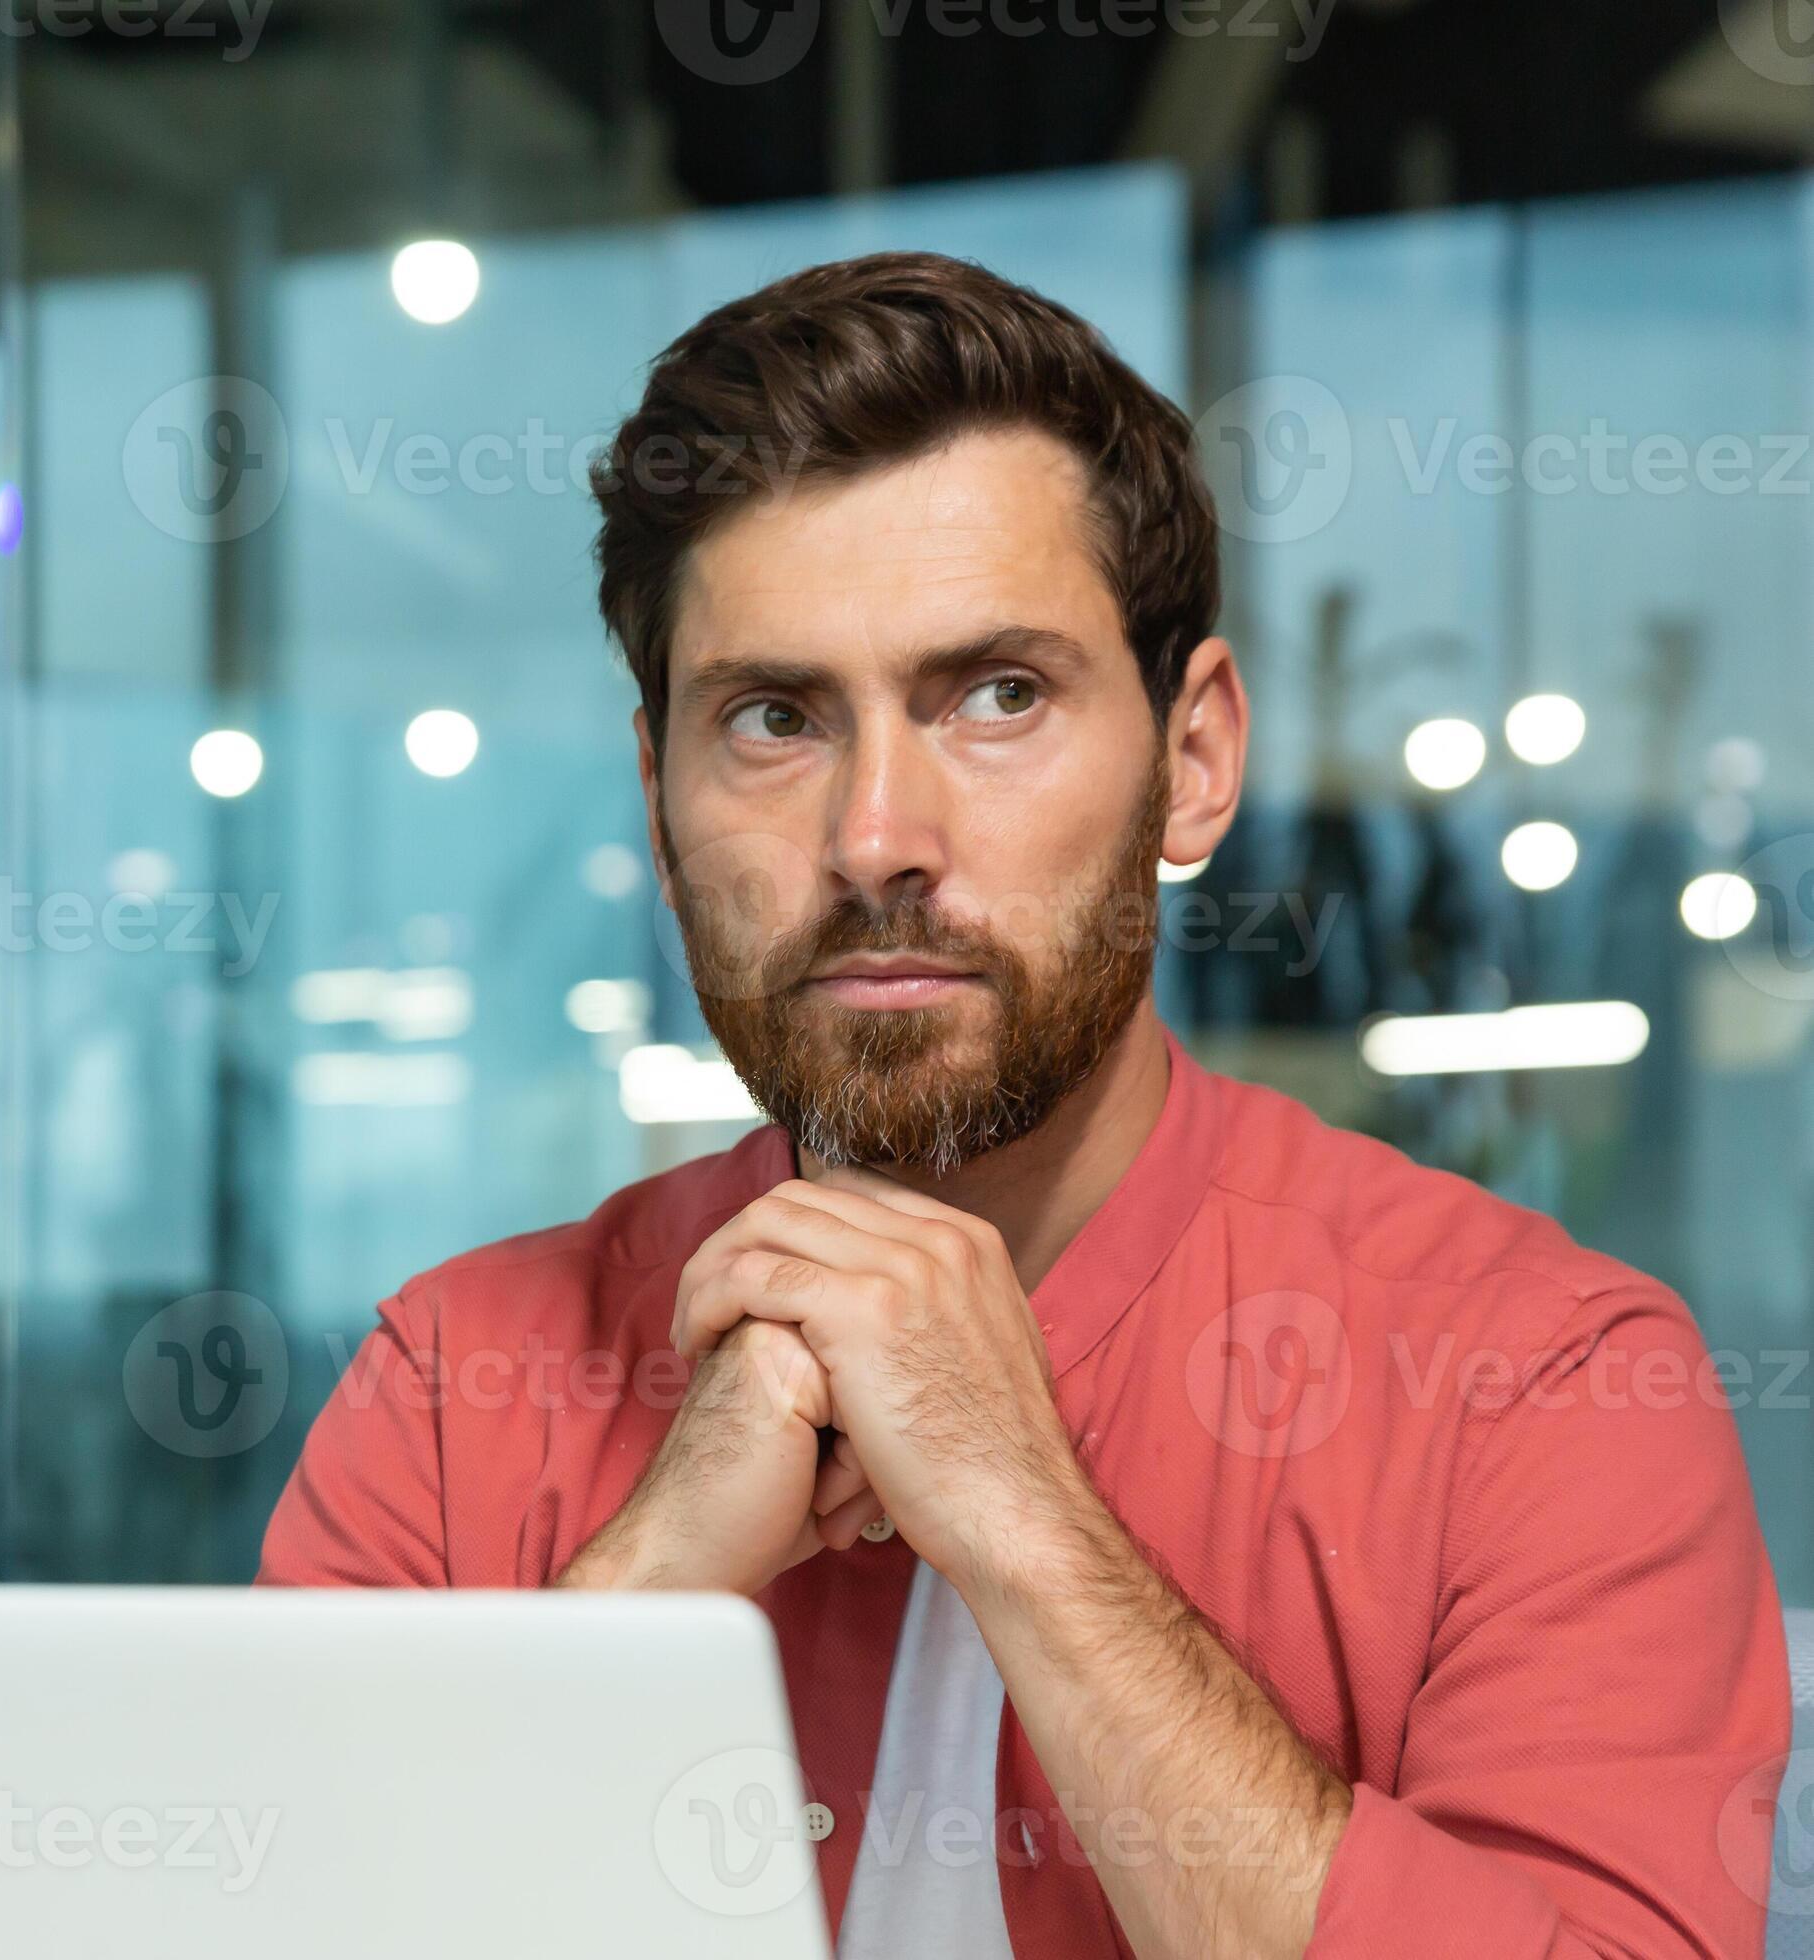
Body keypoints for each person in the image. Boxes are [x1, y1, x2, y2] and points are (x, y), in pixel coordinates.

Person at [254, 251, 1788, 1957]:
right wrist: (649, 1586)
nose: (873, 836)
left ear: (1192, 761)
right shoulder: (457, 1388)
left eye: (998, 696)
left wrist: (1022, 1515)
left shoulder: (1546, 1384)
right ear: (657, 789)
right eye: (772, 718)